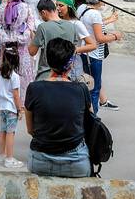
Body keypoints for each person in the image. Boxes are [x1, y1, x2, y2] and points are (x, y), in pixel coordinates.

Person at [23, 38, 90, 178]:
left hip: (41, 159)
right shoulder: (81, 89)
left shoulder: (34, 88)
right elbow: (89, 124)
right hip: (75, 159)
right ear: (70, 64)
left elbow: (31, 130)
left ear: (48, 61)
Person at [76, 0, 122, 114]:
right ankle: (93, 118)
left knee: (88, 84)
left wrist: (109, 21)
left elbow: (90, 28)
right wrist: (115, 36)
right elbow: (100, 38)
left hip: (85, 52)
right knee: (94, 88)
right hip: (94, 55)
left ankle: (87, 115)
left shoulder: (82, 9)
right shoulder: (95, 14)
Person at [29, 0, 94, 81]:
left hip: (46, 73)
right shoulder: (71, 26)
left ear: (43, 12)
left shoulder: (43, 27)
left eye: (40, 15)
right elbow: (73, 50)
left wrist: (32, 37)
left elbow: (32, 51)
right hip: (66, 74)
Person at [0, 0, 37, 91]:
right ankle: (22, 99)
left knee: (5, 68)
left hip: (6, 45)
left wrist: (6, 39)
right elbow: (30, 28)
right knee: (22, 71)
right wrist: (18, 39)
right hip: (21, 47)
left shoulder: (2, 8)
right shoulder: (27, 8)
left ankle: (4, 97)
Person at [0, 46, 26, 169]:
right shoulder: (15, 76)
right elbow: (16, 95)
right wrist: (20, 109)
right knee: (11, 133)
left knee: (2, 131)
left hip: (2, 106)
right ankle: (9, 158)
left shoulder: (1, 73)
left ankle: (1, 155)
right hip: (11, 108)